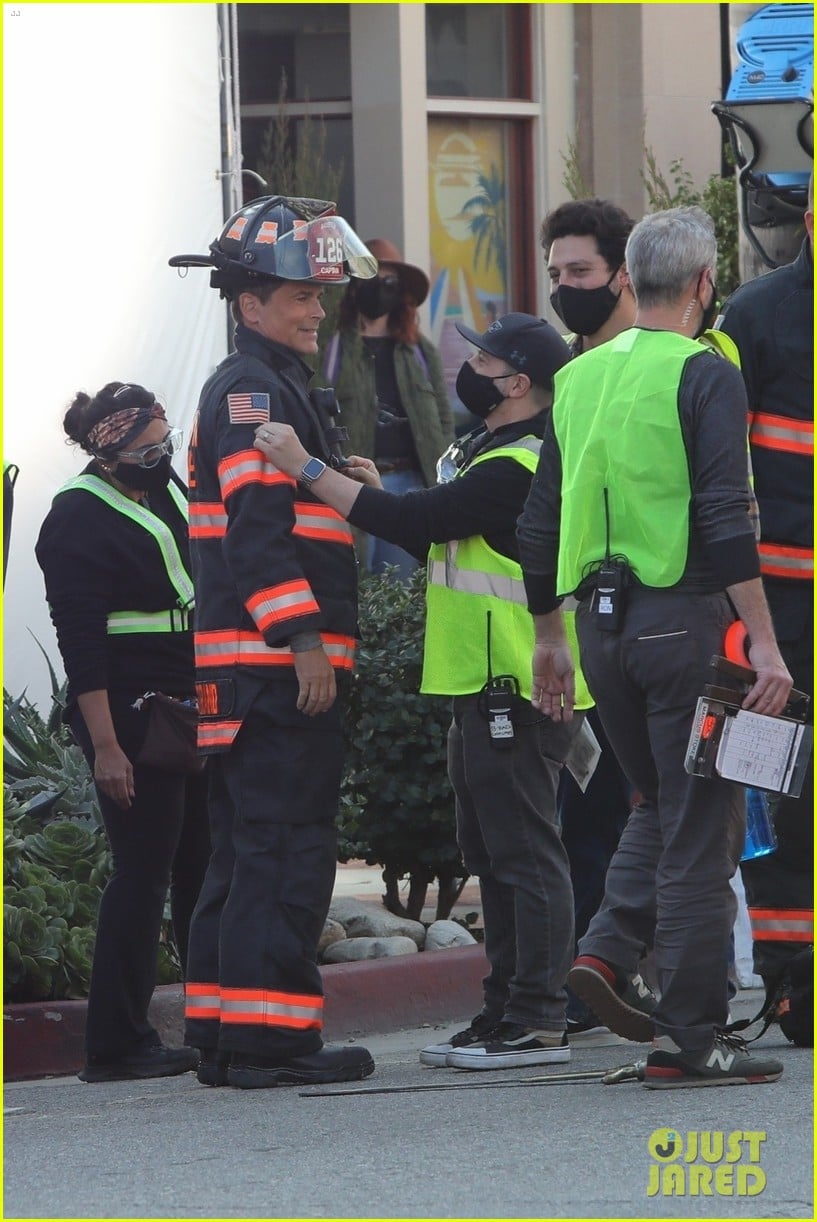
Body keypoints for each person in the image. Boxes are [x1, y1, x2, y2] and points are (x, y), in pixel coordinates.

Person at [256, 313, 595, 1071]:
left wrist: (308, 468)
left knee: (523, 855)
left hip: (511, 683)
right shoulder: (492, 452)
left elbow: (425, 516)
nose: (465, 365)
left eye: (481, 357)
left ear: (513, 382)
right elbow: (443, 536)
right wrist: (377, 494)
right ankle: (506, 1009)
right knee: (494, 852)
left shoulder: (521, 459)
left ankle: (536, 1020)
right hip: (482, 683)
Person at [518, 206, 793, 1089]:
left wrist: (547, 637)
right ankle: (688, 1037)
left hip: (599, 630)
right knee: (701, 828)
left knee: (655, 800)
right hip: (684, 623)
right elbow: (723, 514)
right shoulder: (705, 371)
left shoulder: (582, 374)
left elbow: (538, 519)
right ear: (706, 285)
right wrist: (762, 638)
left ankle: (602, 951)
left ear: (629, 281)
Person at [169, 195, 376, 1090]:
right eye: (299, 295)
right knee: (286, 848)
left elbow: (269, 519)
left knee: (246, 848)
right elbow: (255, 539)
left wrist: (341, 482)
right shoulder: (254, 391)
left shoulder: (262, 385)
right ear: (250, 303)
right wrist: (301, 642)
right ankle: (271, 1042)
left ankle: (221, 1033)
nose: (314, 309)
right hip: (274, 669)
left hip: (248, 670)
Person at [35, 382, 211, 1083]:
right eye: (147, 448)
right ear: (107, 451)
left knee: (200, 858)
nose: (161, 457)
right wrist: (106, 747)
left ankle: (215, 1015)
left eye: (166, 443)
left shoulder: (163, 488)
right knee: (142, 871)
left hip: (187, 695)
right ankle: (115, 1043)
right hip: (129, 711)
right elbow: (82, 647)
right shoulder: (74, 517)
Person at [541, 197, 639, 1038]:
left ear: (623, 272)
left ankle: (676, 985)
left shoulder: (683, 361)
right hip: (590, 629)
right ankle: (596, 982)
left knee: (668, 807)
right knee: (595, 810)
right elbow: (553, 511)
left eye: (579, 273)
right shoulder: (571, 376)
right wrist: (548, 630)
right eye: (556, 276)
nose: (566, 289)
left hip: (671, 615)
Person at [716, 175, 814, 1000]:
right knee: (785, 779)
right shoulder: (755, 315)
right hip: (781, 603)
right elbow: (720, 467)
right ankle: (791, 977)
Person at [320, 236, 454, 578]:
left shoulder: (421, 352)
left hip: (409, 485)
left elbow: (443, 420)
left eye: (390, 281)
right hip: (351, 485)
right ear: (353, 286)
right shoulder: (333, 349)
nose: (381, 287)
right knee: (355, 588)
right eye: (372, 277)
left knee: (401, 590)